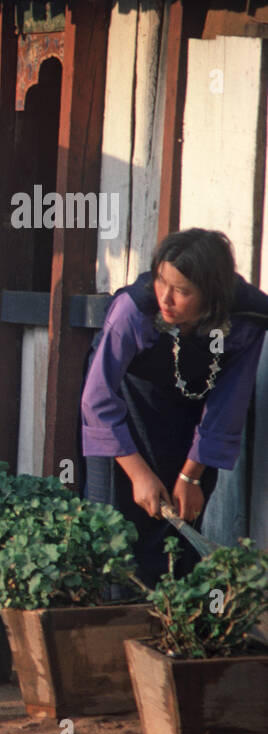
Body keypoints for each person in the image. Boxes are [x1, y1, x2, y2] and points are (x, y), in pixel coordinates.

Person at [81, 229, 268, 587]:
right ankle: (112, 619)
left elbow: (227, 405)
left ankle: (167, 631)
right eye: (161, 282)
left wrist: (190, 477)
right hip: (125, 411)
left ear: (211, 296)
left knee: (178, 534)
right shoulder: (133, 309)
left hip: (189, 414)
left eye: (182, 291)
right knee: (116, 536)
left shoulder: (245, 318)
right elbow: (98, 399)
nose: (165, 298)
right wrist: (138, 474)